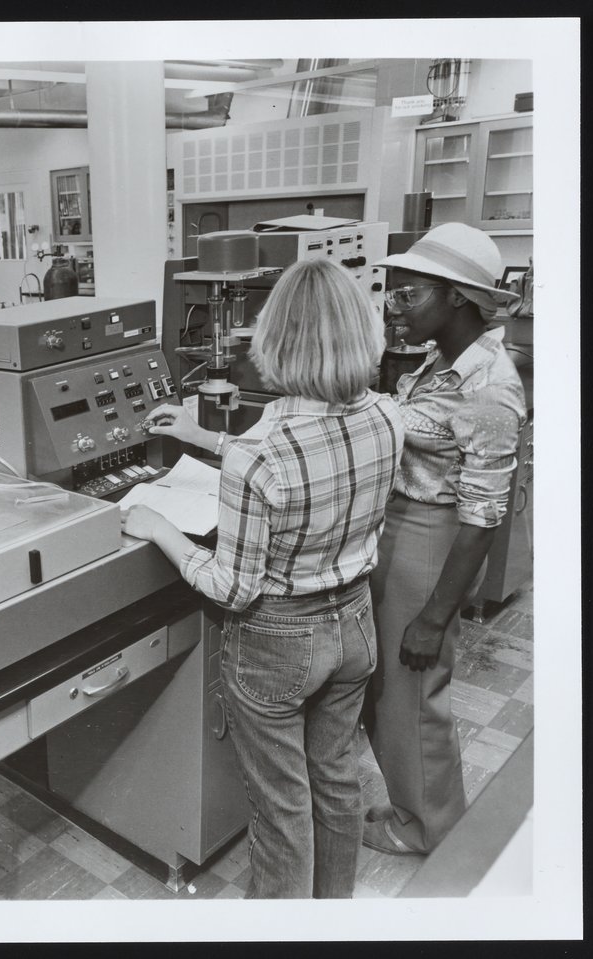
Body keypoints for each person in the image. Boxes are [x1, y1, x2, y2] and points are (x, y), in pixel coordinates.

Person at [124, 258, 403, 898]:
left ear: (272, 340)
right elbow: (314, 451)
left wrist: (158, 526)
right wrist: (206, 438)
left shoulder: (260, 457)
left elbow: (233, 587)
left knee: (281, 809)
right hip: (355, 624)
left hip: (278, 644)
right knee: (335, 780)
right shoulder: (386, 416)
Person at [362, 223, 527, 857]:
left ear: (458, 296)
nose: (394, 308)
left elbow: (484, 517)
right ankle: (416, 806)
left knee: (413, 692)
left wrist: (435, 615)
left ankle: (428, 828)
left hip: (433, 542)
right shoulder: (444, 360)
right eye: (392, 295)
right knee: (394, 691)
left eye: (409, 296)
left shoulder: (489, 388)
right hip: (403, 530)